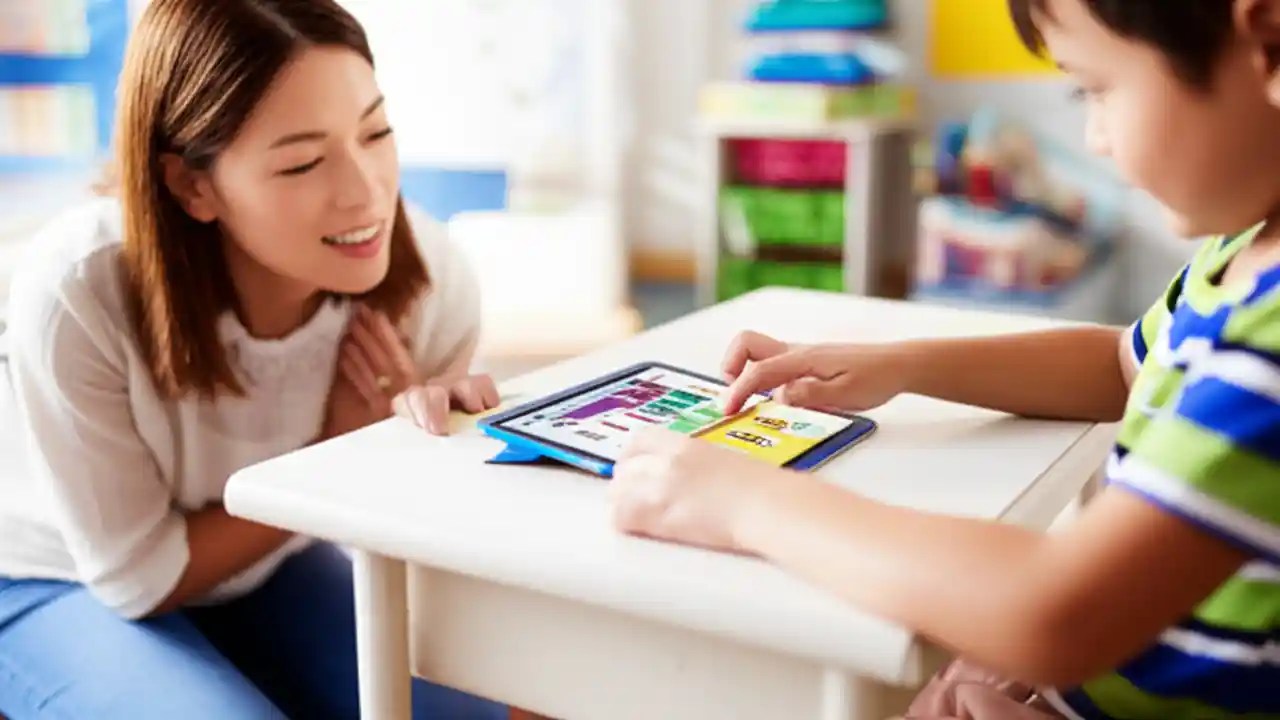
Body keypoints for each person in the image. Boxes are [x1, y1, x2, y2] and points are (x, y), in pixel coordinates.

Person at [609, 1, 1280, 718]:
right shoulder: (1240, 253)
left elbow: (1055, 615)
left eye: (1098, 87)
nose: (1097, 139)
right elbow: (1124, 365)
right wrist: (899, 366)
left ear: (1269, 44)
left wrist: (743, 502)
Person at [0, 1, 511, 717]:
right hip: (50, 573)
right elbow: (137, 580)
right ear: (192, 185)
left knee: (462, 711)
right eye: (303, 162)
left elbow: (419, 531)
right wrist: (333, 453)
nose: (367, 192)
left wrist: (437, 449)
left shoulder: (431, 279)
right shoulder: (78, 290)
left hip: (261, 565)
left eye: (377, 132)